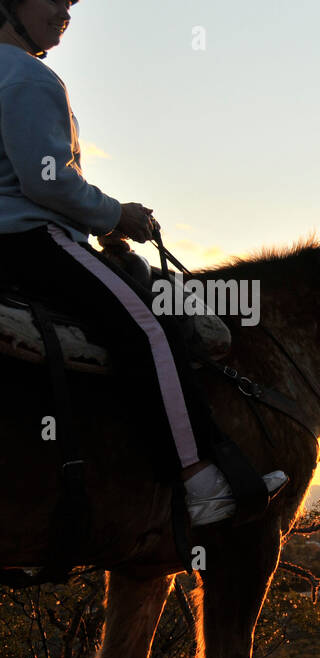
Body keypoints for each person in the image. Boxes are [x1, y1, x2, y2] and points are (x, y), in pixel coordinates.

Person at [0, 0, 285, 526]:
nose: (66, 11)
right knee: (148, 329)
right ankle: (200, 481)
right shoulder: (30, 78)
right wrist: (117, 216)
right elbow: (46, 181)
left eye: (71, 3)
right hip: (30, 239)